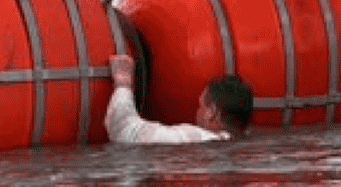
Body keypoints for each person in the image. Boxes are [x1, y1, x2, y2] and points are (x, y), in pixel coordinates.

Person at [104, 54, 254, 144]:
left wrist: (123, 82)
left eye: (200, 106)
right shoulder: (246, 142)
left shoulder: (197, 138)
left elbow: (124, 131)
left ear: (212, 113)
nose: (197, 113)